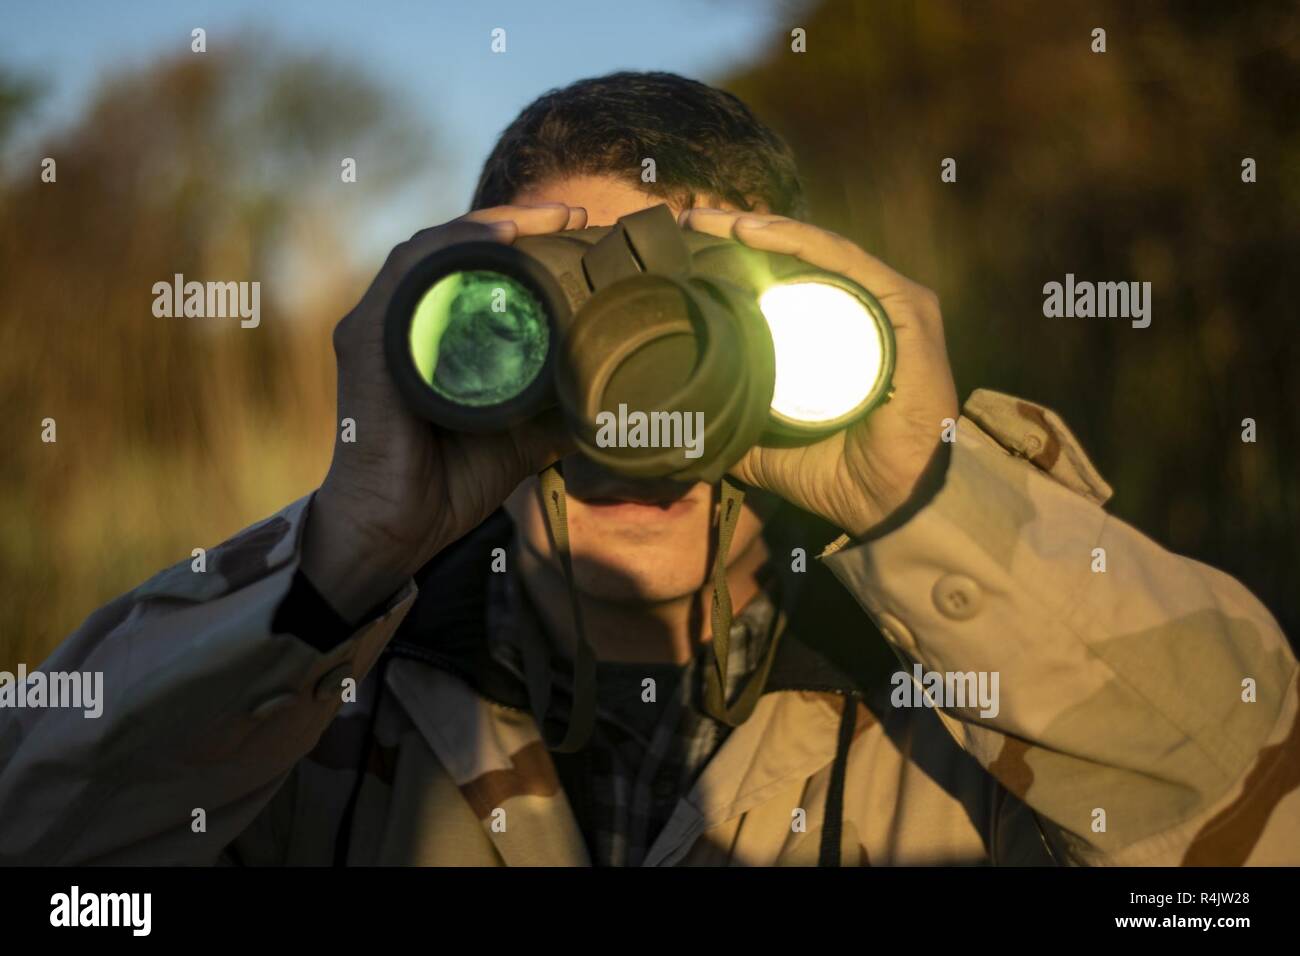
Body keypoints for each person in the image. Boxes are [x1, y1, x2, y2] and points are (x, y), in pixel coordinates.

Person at [2, 71, 1295, 867]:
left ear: (806, 329)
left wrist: (937, 508)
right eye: (551, 326)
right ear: (462, 335)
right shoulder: (322, 717)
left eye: (696, 325)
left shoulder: (957, 705)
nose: (630, 402)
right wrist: (334, 570)